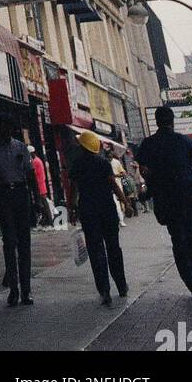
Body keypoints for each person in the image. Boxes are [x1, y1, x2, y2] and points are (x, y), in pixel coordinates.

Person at [138, 105, 192, 306]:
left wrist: (154, 183)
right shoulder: (184, 141)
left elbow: (144, 171)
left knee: (180, 245)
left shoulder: (148, 144)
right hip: (190, 200)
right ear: (172, 121)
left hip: (167, 202)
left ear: (156, 122)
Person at [68, 130, 128, 306]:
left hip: (88, 210)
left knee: (96, 250)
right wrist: (127, 203)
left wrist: (71, 209)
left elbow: (74, 189)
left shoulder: (77, 164)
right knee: (113, 248)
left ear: (82, 146)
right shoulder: (103, 163)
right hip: (107, 209)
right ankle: (122, 286)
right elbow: (113, 185)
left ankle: (104, 290)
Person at [0, 120, 34, 305]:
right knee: (9, 242)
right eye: (2, 127)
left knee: (24, 242)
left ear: (12, 129)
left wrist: (34, 200)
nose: (5, 130)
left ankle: (26, 290)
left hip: (20, 192)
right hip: (3, 193)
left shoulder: (21, 147)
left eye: (8, 128)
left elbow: (29, 172)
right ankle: (14, 289)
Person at [28, 146, 54, 227]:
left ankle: (49, 221)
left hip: (39, 185)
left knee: (43, 204)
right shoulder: (38, 160)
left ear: (31, 153)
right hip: (41, 184)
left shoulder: (35, 161)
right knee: (43, 203)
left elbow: (34, 173)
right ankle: (47, 221)